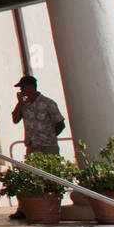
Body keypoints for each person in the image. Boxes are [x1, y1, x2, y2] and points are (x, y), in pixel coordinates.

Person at [9, 74, 67, 219]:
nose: (21, 90)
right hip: (33, 147)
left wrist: (49, 137)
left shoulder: (48, 103)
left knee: (51, 177)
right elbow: (15, 119)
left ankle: (53, 207)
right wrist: (20, 103)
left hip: (48, 146)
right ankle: (23, 209)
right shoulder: (24, 105)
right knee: (30, 178)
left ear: (30, 87)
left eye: (23, 87)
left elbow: (60, 124)